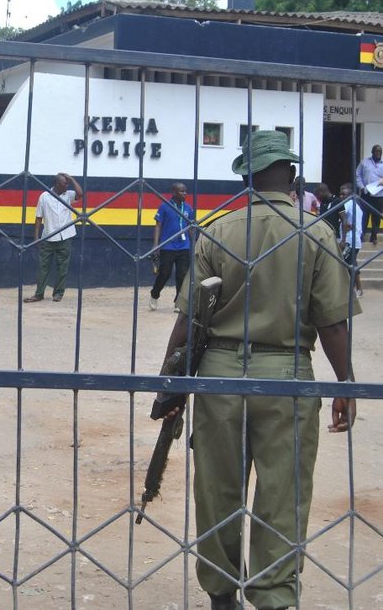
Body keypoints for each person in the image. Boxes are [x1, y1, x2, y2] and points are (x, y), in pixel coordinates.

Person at [159, 131, 357, 610]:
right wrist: (346, 384)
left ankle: (222, 593)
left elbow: (189, 321)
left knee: (217, 489)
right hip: (287, 376)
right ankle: (273, 595)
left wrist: (169, 388)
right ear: (290, 175)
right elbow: (331, 323)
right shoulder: (317, 231)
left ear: (245, 178)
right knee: (283, 493)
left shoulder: (219, 230)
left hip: (219, 373)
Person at [23, 172, 83, 303]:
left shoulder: (68, 195)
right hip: (48, 237)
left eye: (67, 184)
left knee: (62, 268)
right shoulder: (44, 197)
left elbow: (80, 194)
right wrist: (36, 237)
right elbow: (39, 217)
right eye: (64, 183)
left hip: (65, 236)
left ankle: (58, 293)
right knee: (43, 267)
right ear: (56, 183)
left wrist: (71, 178)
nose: (67, 186)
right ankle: (39, 294)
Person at [149, 182, 194, 312]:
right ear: (174, 193)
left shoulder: (188, 208)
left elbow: (191, 228)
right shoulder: (164, 207)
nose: (185, 193)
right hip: (168, 246)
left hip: (184, 246)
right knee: (164, 273)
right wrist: (155, 246)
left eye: (185, 191)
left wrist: (195, 243)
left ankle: (178, 302)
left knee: (182, 274)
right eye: (182, 191)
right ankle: (154, 294)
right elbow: (158, 226)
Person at [340, 182, 365, 298]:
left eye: (344, 194)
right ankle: (358, 289)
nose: (341, 197)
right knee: (352, 264)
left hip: (350, 240)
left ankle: (354, 290)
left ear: (350, 195)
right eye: (340, 194)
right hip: (355, 240)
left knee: (348, 265)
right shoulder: (357, 205)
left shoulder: (348, 204)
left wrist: (343, 239)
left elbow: (344, 221)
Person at [354, 143, 383, 243]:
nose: (378, 153)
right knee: (364, 215)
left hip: (379, 195)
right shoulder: (364, 162)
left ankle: (374, 237)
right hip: (366, 193)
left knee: (377, 216)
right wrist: (361, 187)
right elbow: (357, 175)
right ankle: (362, 235)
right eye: (376, 151)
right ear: (372, 152)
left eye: (380, 151)